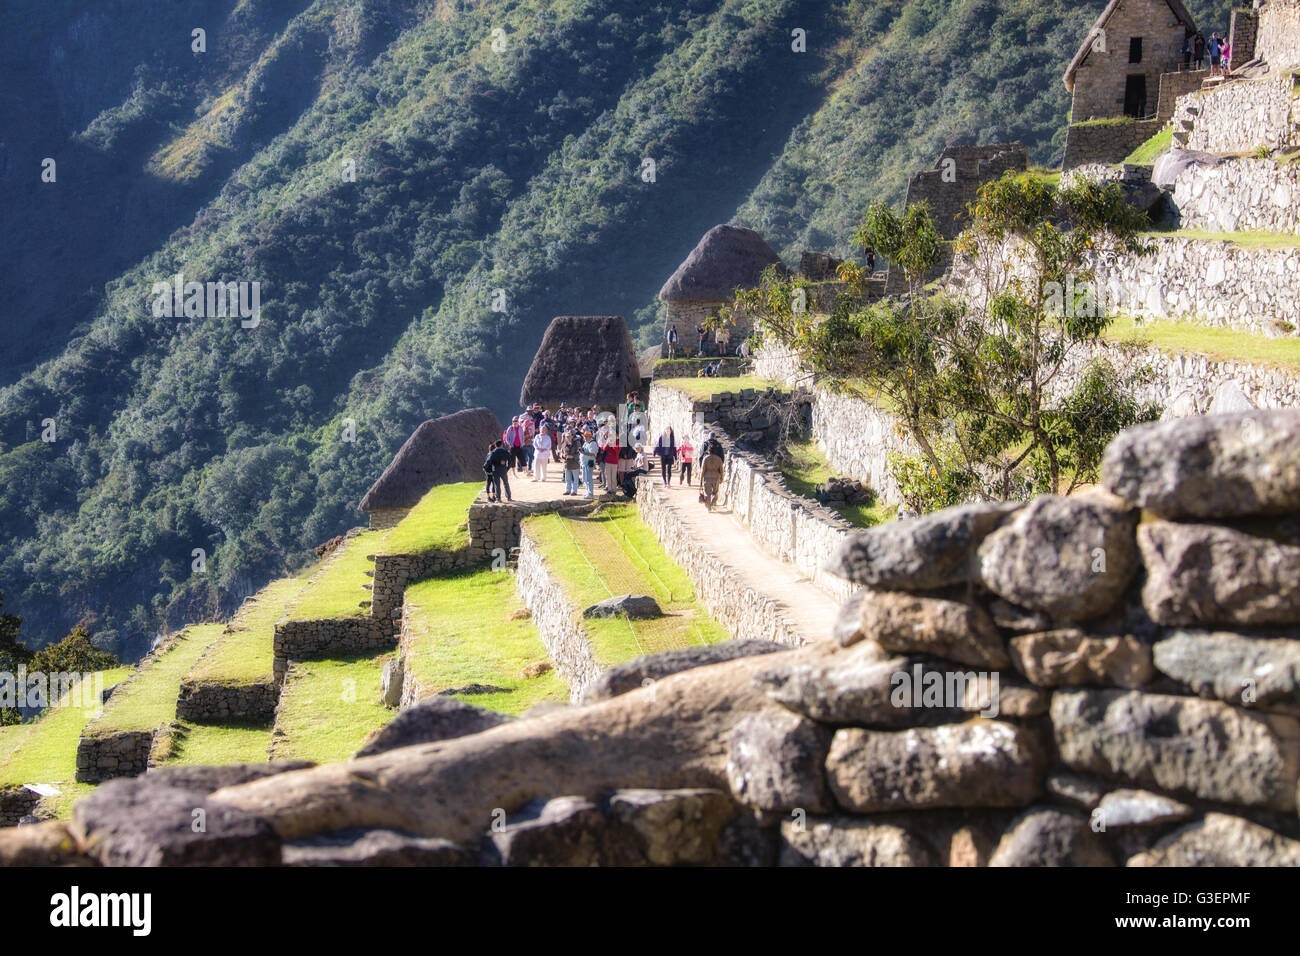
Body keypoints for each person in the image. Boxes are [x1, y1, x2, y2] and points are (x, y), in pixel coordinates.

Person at [699, 445, 724, 511]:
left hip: (707, 477)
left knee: (707, 493)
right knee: (715, 492)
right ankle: (713, 503)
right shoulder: (719, 459)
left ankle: (708, 508)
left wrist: (700, 482)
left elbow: (702, 470)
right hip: (716, 477)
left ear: (708, 451)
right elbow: (721, 470)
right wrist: (722, 478)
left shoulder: (706, 458)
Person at [561, 430, 582, 495]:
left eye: (569, 436)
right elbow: (561, 453)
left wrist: (572, 456)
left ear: (572, 437)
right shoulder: (564, 444)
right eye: (567, 437)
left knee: (575, 479)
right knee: (567, 479)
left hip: (575, 464)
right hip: (567, 464)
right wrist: (563, 456)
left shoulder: (577, 444)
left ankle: (574, 491)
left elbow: (579, 454)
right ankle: (567, 490)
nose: (568, 438)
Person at [580, 429, 598, 498]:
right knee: (585, 479)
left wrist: (584, 453)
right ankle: (588, 492)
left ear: (589, 437)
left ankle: (590, 493)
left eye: (586, 436)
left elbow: (593, 453)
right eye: (584, 436)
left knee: (589, 479)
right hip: (584, 463)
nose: (584, 437)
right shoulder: (586, 443)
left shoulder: (592, 443)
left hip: (589, 463)